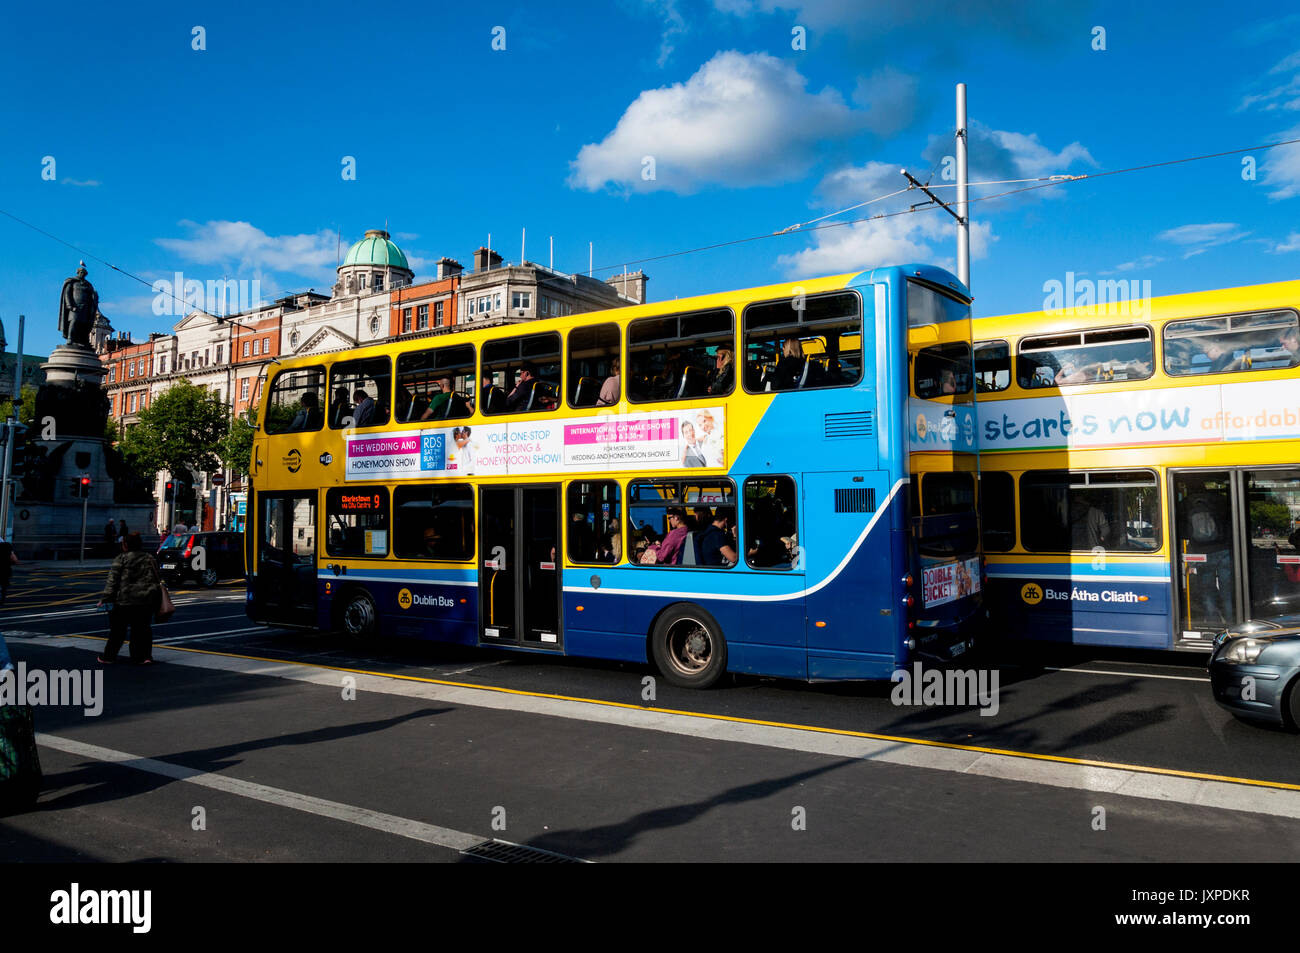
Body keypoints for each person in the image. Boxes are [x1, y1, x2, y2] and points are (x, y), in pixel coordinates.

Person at [96, 532, 162, 665]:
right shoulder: (149, 558)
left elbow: (112, 581)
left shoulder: (121, 558)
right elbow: (157, 577)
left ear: (125, 545)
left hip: (124, 600)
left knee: (117, 631)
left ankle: (109, 656)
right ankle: (143, 657)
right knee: (142, 630)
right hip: (145, 600)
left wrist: (105, 598)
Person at [0, 534, 16, 606]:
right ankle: (2, 600)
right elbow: (14, 559)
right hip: (5, 570)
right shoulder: (7, 546)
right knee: (4, 586)